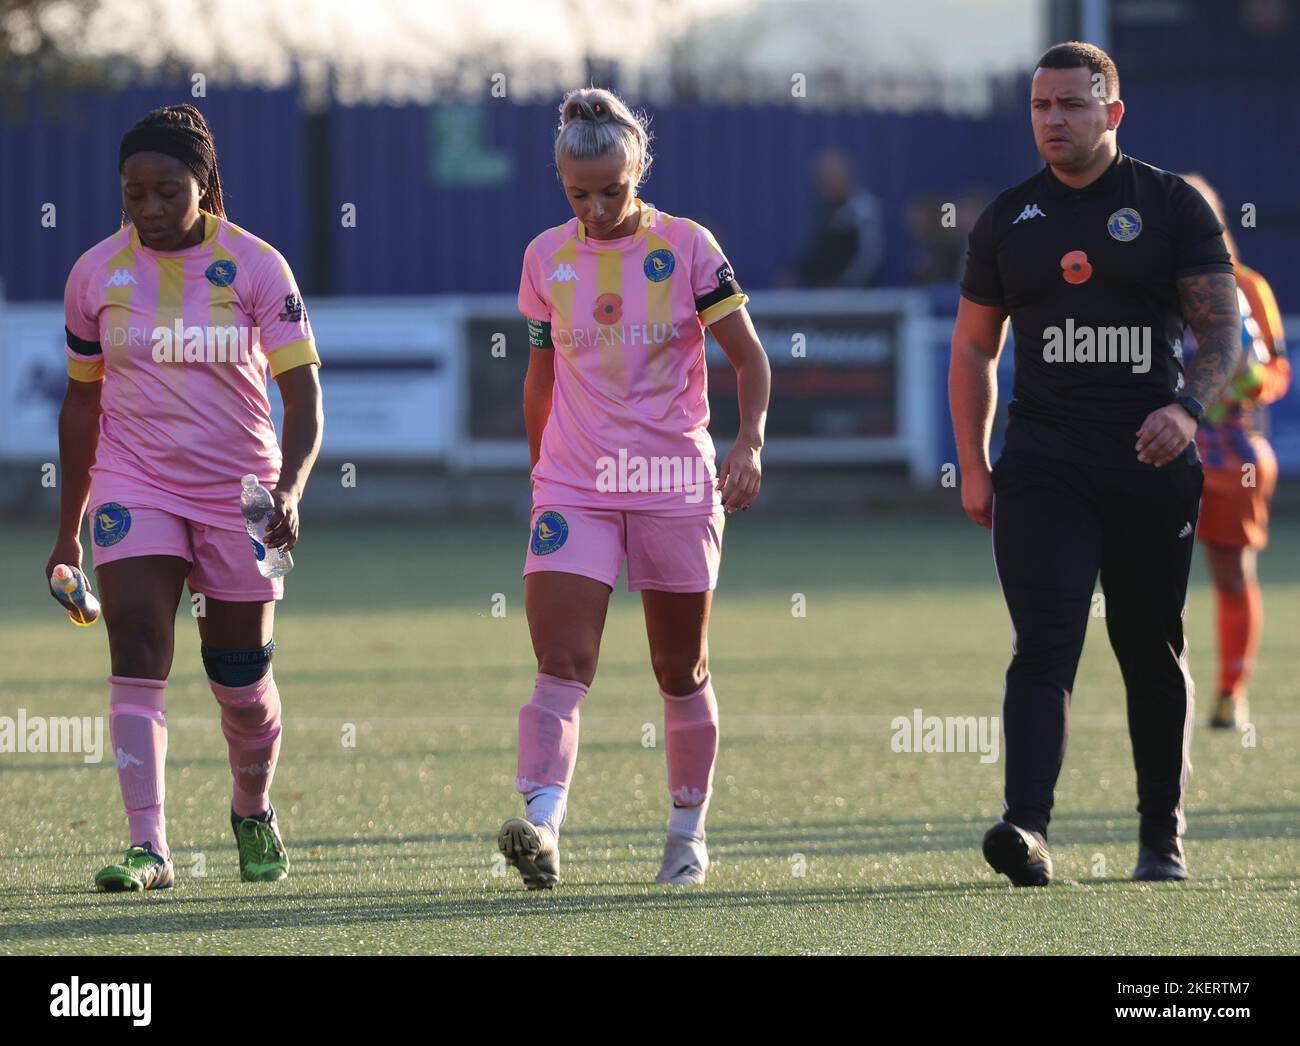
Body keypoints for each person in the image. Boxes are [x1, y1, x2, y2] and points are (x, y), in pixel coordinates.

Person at [949, 43, 1242, 885]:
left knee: (1148, 644)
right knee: (1044, 643)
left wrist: (1185, 411)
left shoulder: (1171, 204)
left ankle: (1161, 838)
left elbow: (1222, 332)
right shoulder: (1008, 219)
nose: (1054, 121)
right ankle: (1027, 830)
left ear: (1112, 113)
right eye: (1042, 106)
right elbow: (973, 349)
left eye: (1072, 105)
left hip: (1151, 462)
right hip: (1043, 464)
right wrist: (972, 462)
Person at [498, 87, 771, 889]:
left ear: (640, 170)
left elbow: (750, 360)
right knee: (562, 659)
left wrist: (748, 444)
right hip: (574, 487)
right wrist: (542, 474)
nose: (595, 208)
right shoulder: (545, 257)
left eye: (611, 191)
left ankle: (687, 838)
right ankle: (542, 826)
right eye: (578, 193)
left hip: (673, 484)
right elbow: (540, 378)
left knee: (678, 667)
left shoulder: (688, 248)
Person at [47, 104, 324, 891]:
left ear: (205, 186)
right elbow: (81, 404)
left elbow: (301, 393)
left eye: (169, 191)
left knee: (240, 685)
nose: (150, 209)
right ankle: (150, 848)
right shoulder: (96, 274)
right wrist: (68, 534)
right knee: (136, 643)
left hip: (240, 492)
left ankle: (252, 807)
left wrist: (290, 488)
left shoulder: (258, 266)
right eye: (135, 193)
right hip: (135, 483)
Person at [1178, 174, 1290, 732]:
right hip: (1156, 450)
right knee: (1146, 577)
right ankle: (1162, 690)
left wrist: (1244, 380)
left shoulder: (1247, 287)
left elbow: (1275, 372)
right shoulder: (1146, 282)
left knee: (1230, 571)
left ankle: (1231, 690)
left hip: (1229, 457)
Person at [785, 150, 885, 288]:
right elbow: (824, 254)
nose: (825, 186)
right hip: (832, 298)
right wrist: (797, 272)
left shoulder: (862, 209)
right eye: (821, 180)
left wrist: (845, 284)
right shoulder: (829, 210)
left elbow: (868, 257)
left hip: (858, 298)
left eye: (830, 178)